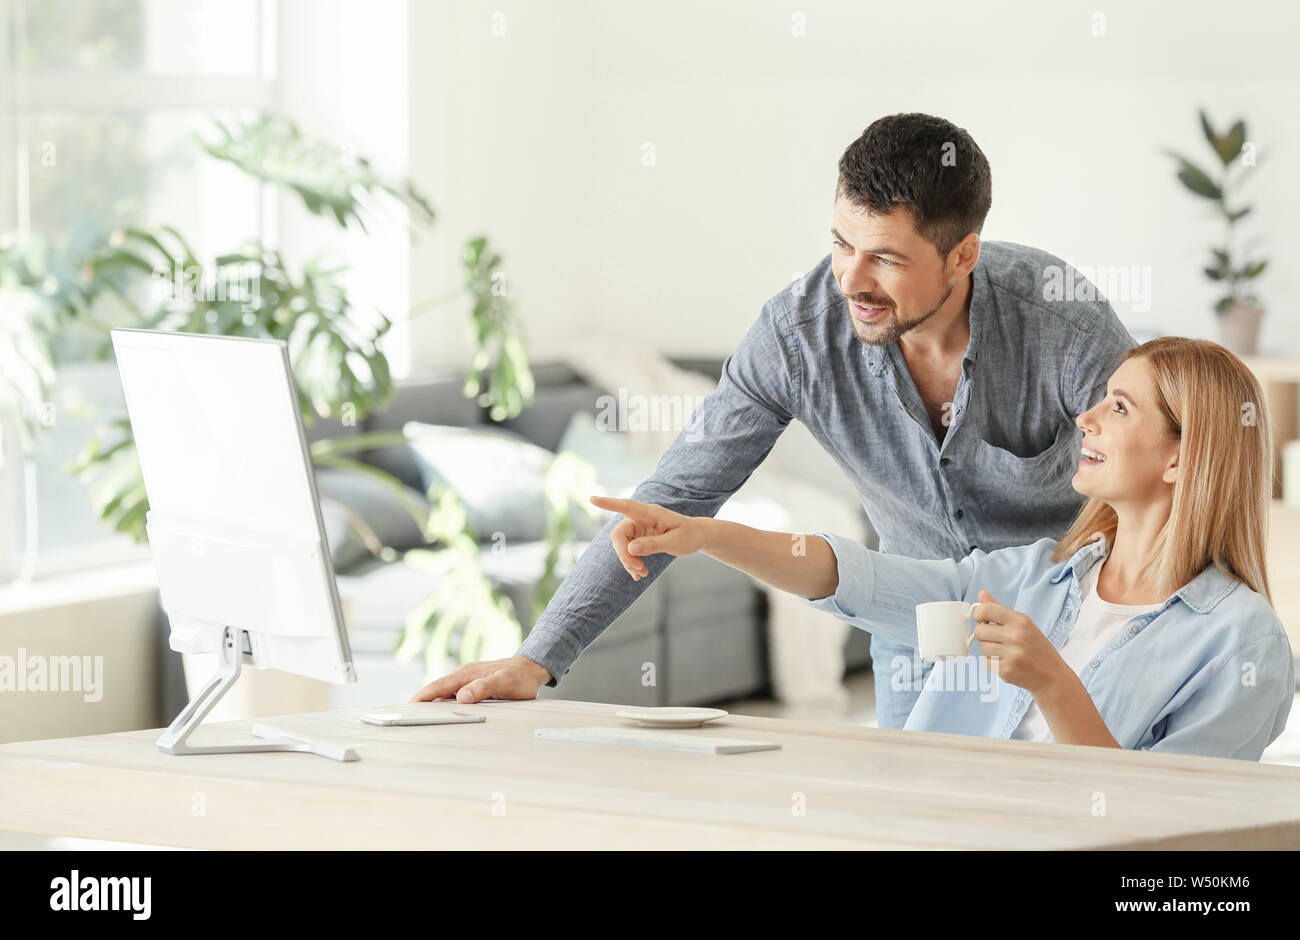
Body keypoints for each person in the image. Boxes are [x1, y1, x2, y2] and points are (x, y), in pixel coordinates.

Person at [411, 112, 1136, 727]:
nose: (851, 281)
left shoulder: (1060, 322)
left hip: (1072, 631)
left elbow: (1169, 476)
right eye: (841, 244)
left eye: (884, 258)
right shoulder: (798, 336)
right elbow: (673, 500)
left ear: (962, 256)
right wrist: (537, 659)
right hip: (917, 633)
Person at [587, 338, 1295, 760]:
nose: (1087, 417)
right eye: (1101, 397)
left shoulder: (1243, 643)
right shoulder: (1033, 577)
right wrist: (710, 533)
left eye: (1120, 406)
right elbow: (859, 578)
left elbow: (1182, 836)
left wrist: (1053, 684)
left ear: (1181, 457)